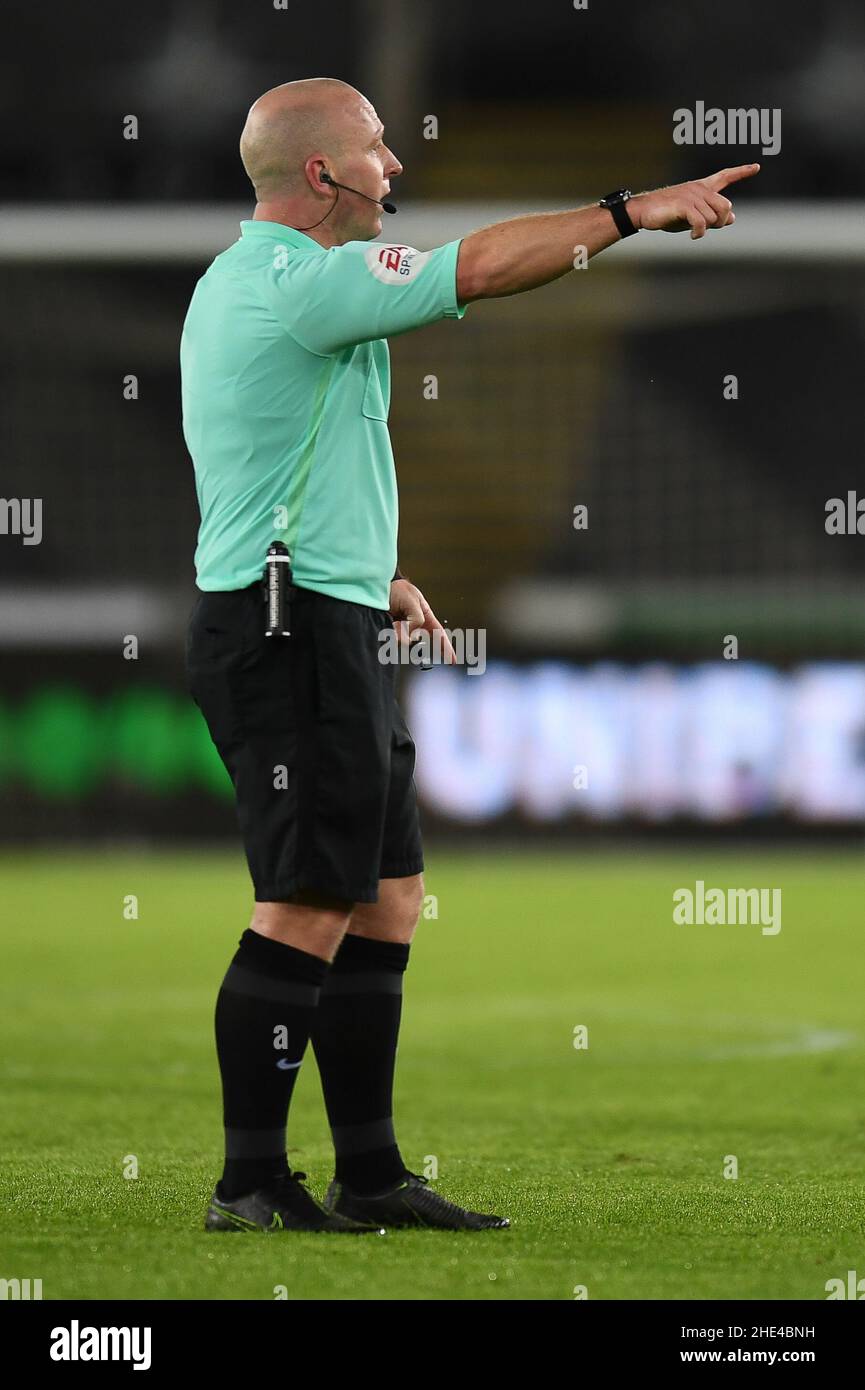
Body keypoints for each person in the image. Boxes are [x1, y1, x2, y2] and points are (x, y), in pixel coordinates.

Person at [181, 75, 759, 1235]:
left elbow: (283, 458)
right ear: (322, 176)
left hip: (322, 611)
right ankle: (248, 1181)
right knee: (305, 900)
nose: (395, 167)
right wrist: (624, 212)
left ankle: (371, 1171)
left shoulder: (283, 294)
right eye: (378, 150)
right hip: (283, 631)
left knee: (387, 899)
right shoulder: (292, 282)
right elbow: (482, 269)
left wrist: (371, 572)